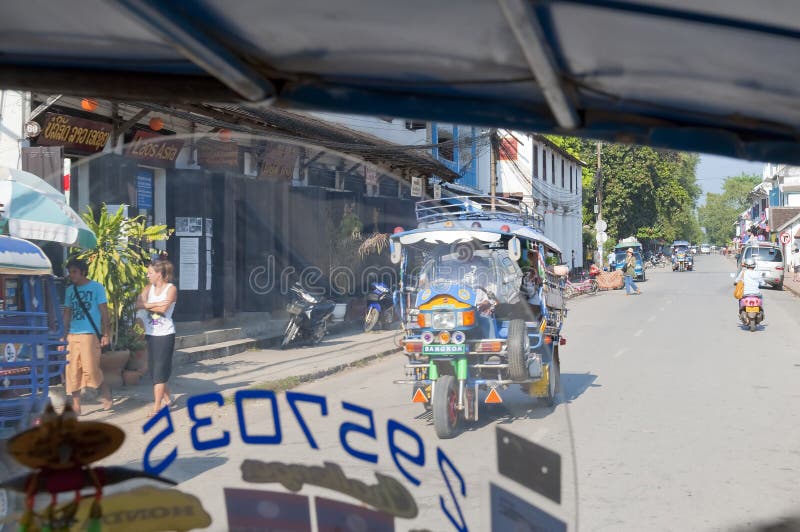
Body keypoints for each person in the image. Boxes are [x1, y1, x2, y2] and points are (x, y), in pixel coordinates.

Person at [63, 258, 113, 415]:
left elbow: (104, 311)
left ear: (83, 272)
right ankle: (76, 404)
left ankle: (104, 390)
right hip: (72, 334)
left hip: (90, 334)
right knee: (72, 370)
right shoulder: (70, 290)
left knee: (90, 369)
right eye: (70, 272)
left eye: (74, 272)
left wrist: (106, 333)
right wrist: (63, 335)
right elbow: (67, 313)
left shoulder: (97, 288)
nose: (71, 275)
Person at [136, 258, 178, 418]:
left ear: (159, 274)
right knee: (153, 371)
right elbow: (138, 304)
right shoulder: (148, 288)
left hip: (165, 334)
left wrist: (149, 305)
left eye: (150, 273)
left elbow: (164, 308)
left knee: (159, 370)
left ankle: (156, 407)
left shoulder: (171, 289)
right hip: (150, 333)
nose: (148, 276)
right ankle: (168, 399)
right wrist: (154, 305)